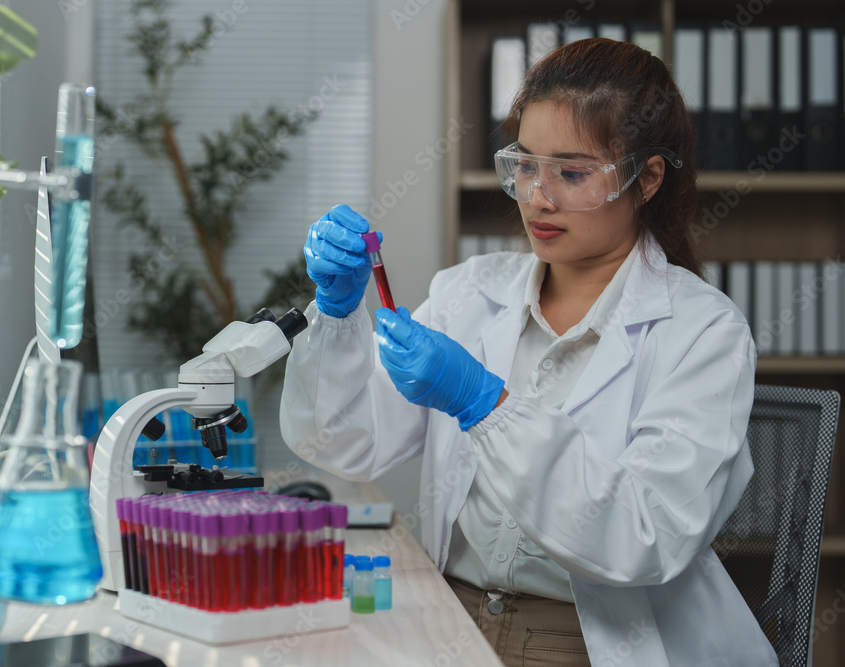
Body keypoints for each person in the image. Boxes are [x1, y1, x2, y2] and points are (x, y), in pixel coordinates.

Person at [279, 38, 777, 667]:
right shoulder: (467, 293)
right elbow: (340, 442)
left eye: (572, 173)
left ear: (646, 179)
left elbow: (644, 537)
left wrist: (486, 405)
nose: (538, 197)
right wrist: (337, 313)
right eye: (526, 165)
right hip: (450, 617)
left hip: (591, 640)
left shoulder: (704, 333)